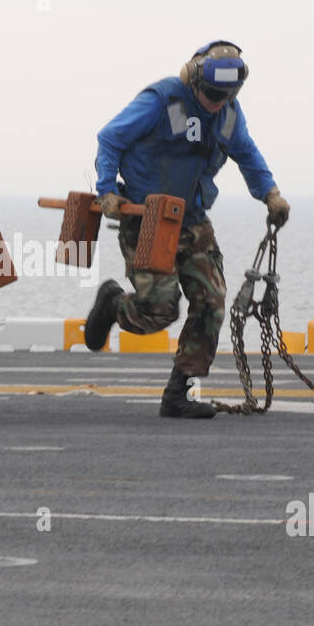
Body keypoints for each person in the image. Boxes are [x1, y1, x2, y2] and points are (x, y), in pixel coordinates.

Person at [84, 40, 290, 418]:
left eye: (228, 94)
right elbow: (110, 137)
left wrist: (271, 194)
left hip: (192, 220)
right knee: (160, 311)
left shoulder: (228, 112)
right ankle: (114, 304)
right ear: (194, 80)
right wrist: (106, 189)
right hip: (148, 218)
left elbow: (247, 153)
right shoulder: (162, 99)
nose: (218, 101)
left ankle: (178, 394)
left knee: (211, 303)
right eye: (212, 93)